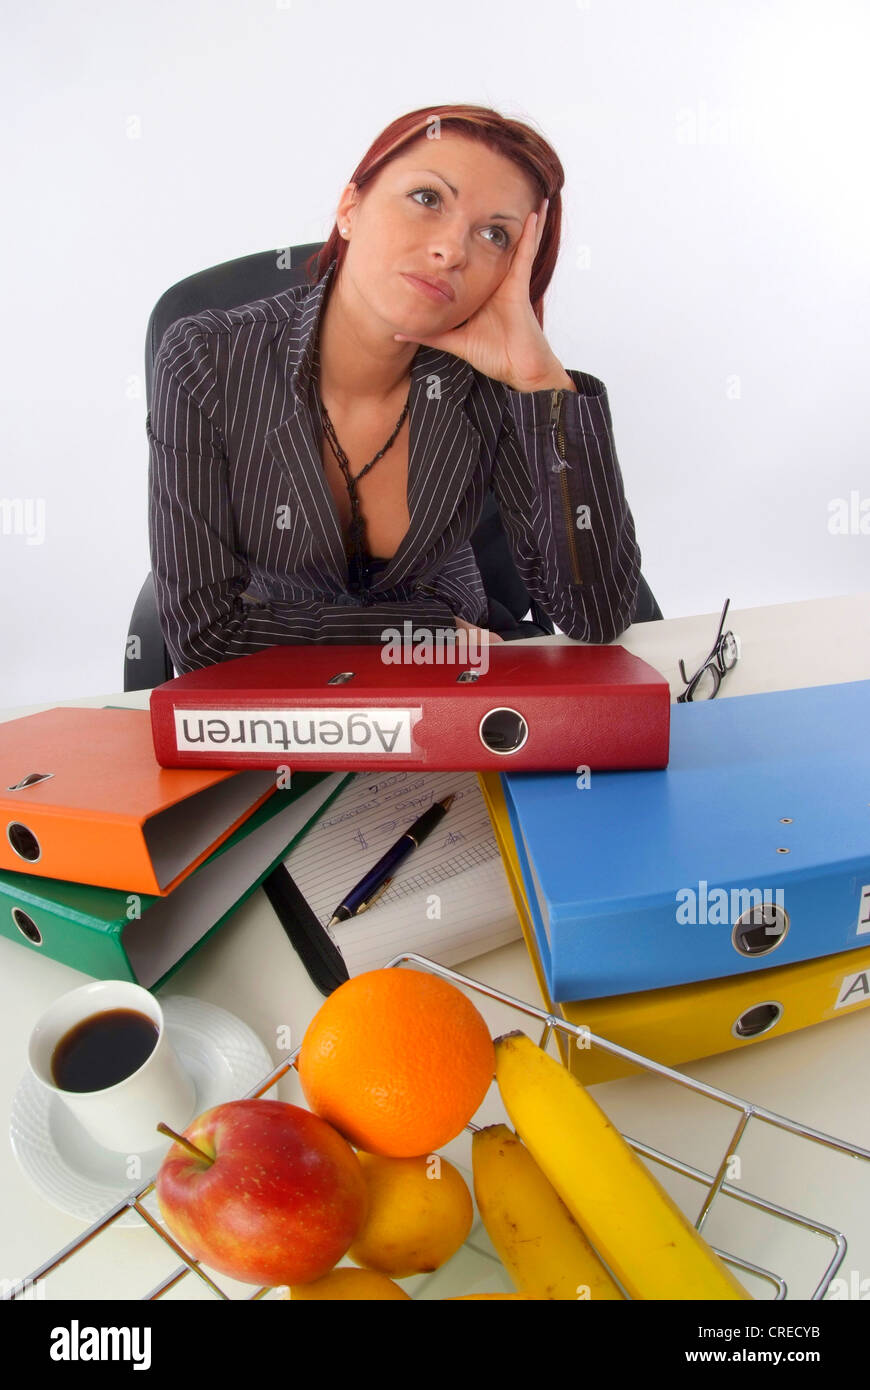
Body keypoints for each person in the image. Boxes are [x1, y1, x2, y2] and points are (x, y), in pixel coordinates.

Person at [147, 104, 642, 674]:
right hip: (284, 692)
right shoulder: (207, 358)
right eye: (428, 198)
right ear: (350, 208)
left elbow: (598, 615)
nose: (452, 250)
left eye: (493, 234)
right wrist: (415, 634)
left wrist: (542, 385)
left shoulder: (492, 380)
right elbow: (204, 636)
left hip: (462, 680)